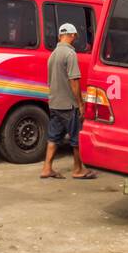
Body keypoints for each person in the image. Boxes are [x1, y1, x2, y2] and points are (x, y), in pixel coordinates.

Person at [40, 22, 96, 180]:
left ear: (60, 36)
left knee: (53, 137)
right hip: (68, 105)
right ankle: (78, 169)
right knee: (76, 138)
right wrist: (80, 103)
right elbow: (74, 81)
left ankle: (46, 168)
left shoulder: (53, 55)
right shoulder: (70, 55)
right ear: (72, 36)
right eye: (75, 36)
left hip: (54, 103)